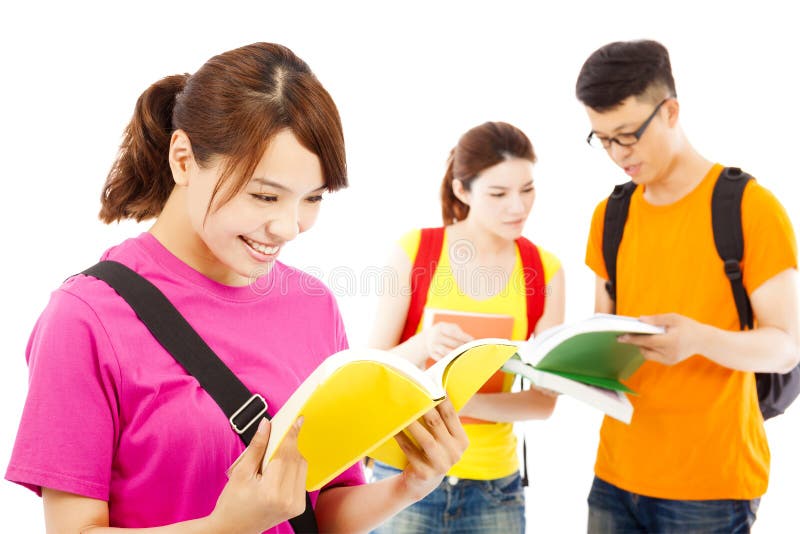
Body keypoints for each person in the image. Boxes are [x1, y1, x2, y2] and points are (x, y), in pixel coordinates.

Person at [4, 42, 469, 533]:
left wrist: (409, 485)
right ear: (183, 159)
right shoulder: (85, 318)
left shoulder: (312, 305)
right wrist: (226, 526)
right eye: (265, 195)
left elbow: (319, 510)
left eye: (312, 199)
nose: (288, 227)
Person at [576, 39, 800, 532]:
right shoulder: (610, 216)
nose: (617, 154)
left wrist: (697, 340)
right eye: (602, 139)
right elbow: (605, 330)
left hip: (710, 487)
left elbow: (785, 349)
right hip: (614, 477)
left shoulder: (750, 208)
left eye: (627, 135)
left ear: (670, 111)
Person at [368, 121, 565, 533]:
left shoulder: (544, 271)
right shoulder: (416, 252)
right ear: (462, 190)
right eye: (498, 194)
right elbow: (370, 371)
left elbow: (543, 402)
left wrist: (457, 403)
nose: (518, 207)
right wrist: (424, 343)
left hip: (494, 487)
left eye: (527, 190)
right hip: (403, 477)